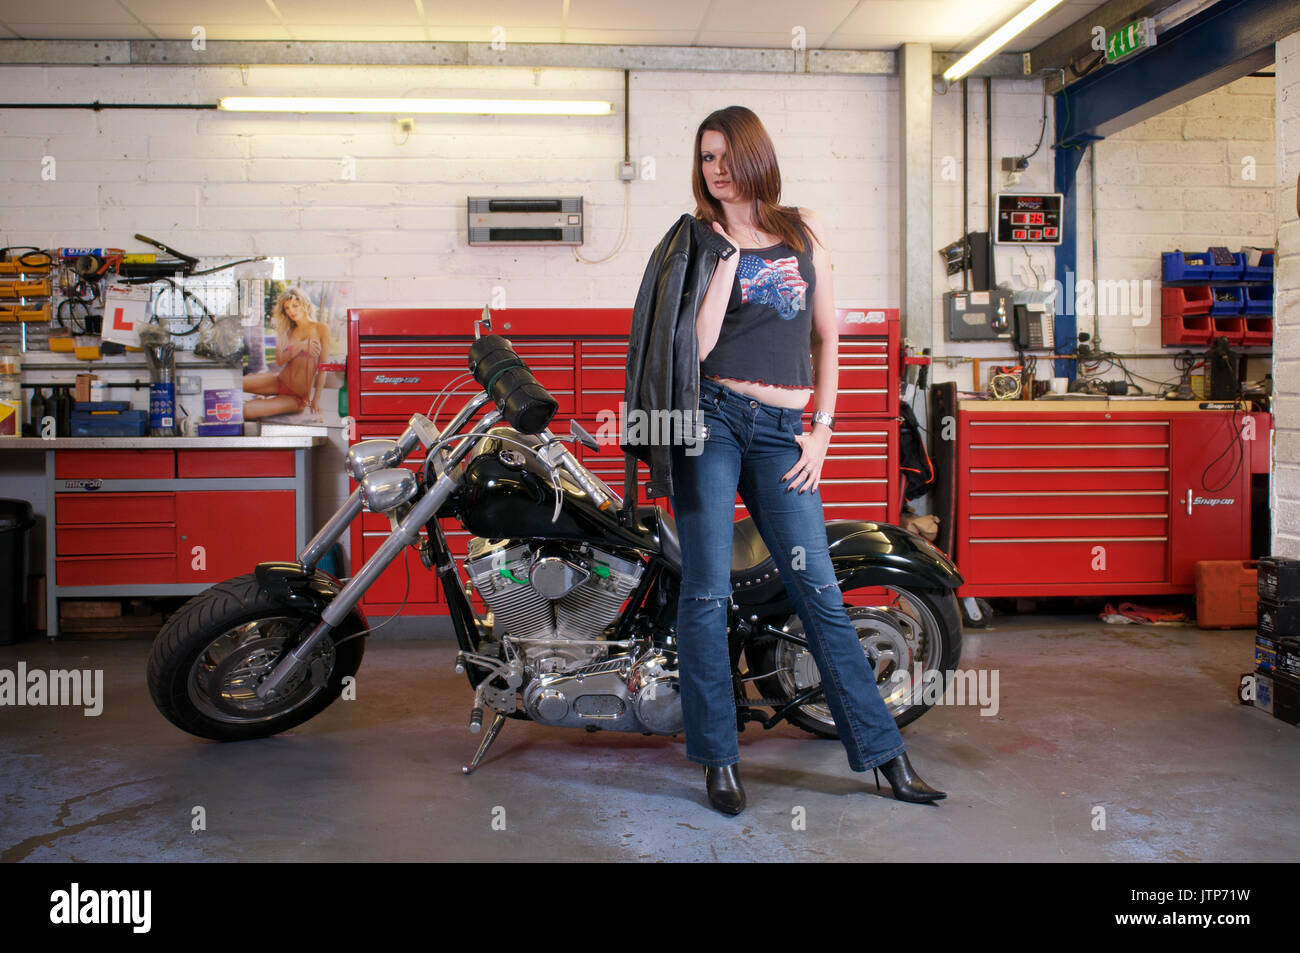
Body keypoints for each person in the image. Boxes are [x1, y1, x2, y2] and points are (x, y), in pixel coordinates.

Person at [668, 105, 946, 815]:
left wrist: (820, 432)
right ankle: (718, 758)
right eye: (706, 158)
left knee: (818, 588)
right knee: (704, 591)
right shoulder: (701, 238)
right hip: (714, 421)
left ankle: (886, 756)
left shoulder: (801, 228)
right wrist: (725, 253)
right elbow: (694, 351)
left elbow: (829, 339)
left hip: (784, 430)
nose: (717, 169)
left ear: (756, 154)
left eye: (727, 154)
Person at [243, 287, 328, 420]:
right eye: (287, 308)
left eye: (295, 306)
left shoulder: (321, 329)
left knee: (245, 411)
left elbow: (323, 367)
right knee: (238, 382)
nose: (291, 311)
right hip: (279, 380)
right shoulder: (286, 329)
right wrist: (301, 346)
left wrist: (316, 400)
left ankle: (259, 401)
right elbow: (280, 360)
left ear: (304, 305)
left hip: (296, 397)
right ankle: (261, 398)